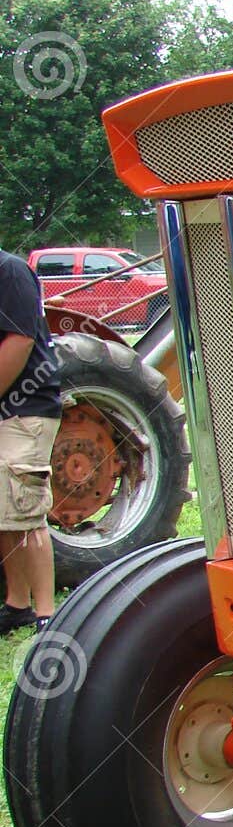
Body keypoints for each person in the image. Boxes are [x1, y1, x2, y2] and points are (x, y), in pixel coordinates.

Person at [0, 246, 61, 634]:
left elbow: (20, 343)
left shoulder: (10, 271)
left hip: (26, 409)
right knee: (4, 513)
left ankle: (47, 615)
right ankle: (17, 604)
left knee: (25, 515)